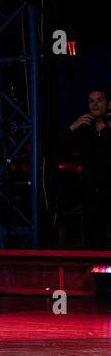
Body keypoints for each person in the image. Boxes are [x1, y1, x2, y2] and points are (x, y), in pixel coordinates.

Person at [66, 89, 110, 248]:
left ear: (108, 104)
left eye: (99, 100)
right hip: (89, 195)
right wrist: (72, 127)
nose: (95, 104)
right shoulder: (83, 129)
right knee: (92, 240)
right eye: (91, 101)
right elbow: (58, 149)